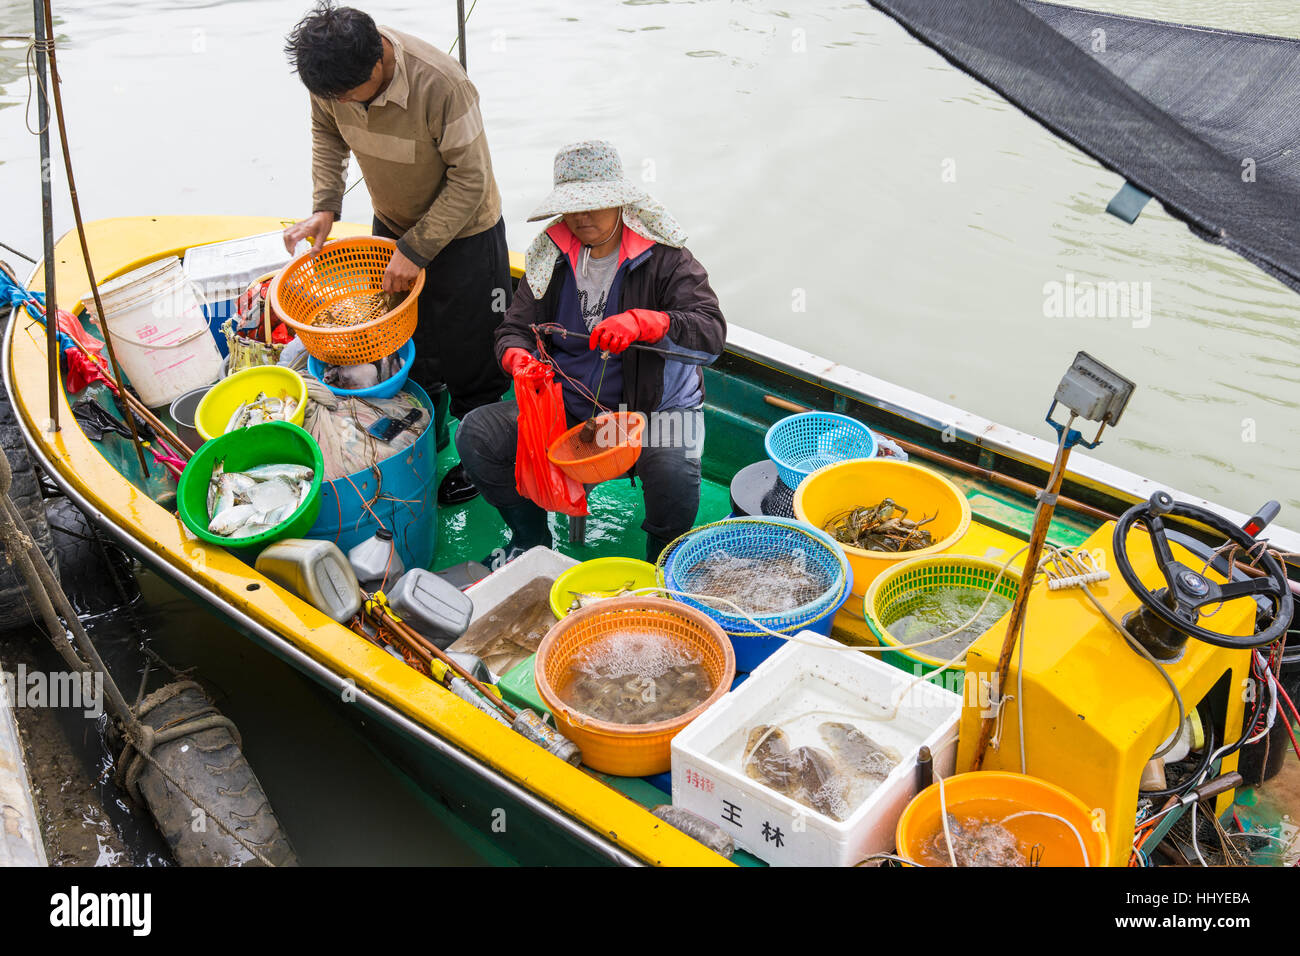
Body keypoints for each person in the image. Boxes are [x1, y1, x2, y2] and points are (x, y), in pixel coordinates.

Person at [456, 140, 726, 567]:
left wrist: (649, 322)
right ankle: (530, 540)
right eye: (573, 207)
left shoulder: (668, 259)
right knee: (476, 433)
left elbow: (711, 332)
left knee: (675, 475)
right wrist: (516, 357)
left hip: (654, 411)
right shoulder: (551, 256)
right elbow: (513, 329)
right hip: (572, 405)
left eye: (594, 205)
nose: (582, 218)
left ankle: (662, 564)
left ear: (620, 201)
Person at [282, 2, 508, 505]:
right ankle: (430, 434)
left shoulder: (442, 85)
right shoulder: (332, 81)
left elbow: (470, 181)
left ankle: (483, 452)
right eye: (330, 97)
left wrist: (417, 249)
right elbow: (326, 136)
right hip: (393, 222)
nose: (337, 103)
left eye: (347, 95)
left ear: (379, 64)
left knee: (474, 353)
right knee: (408, 341)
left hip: (466, 230)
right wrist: (325, 207)